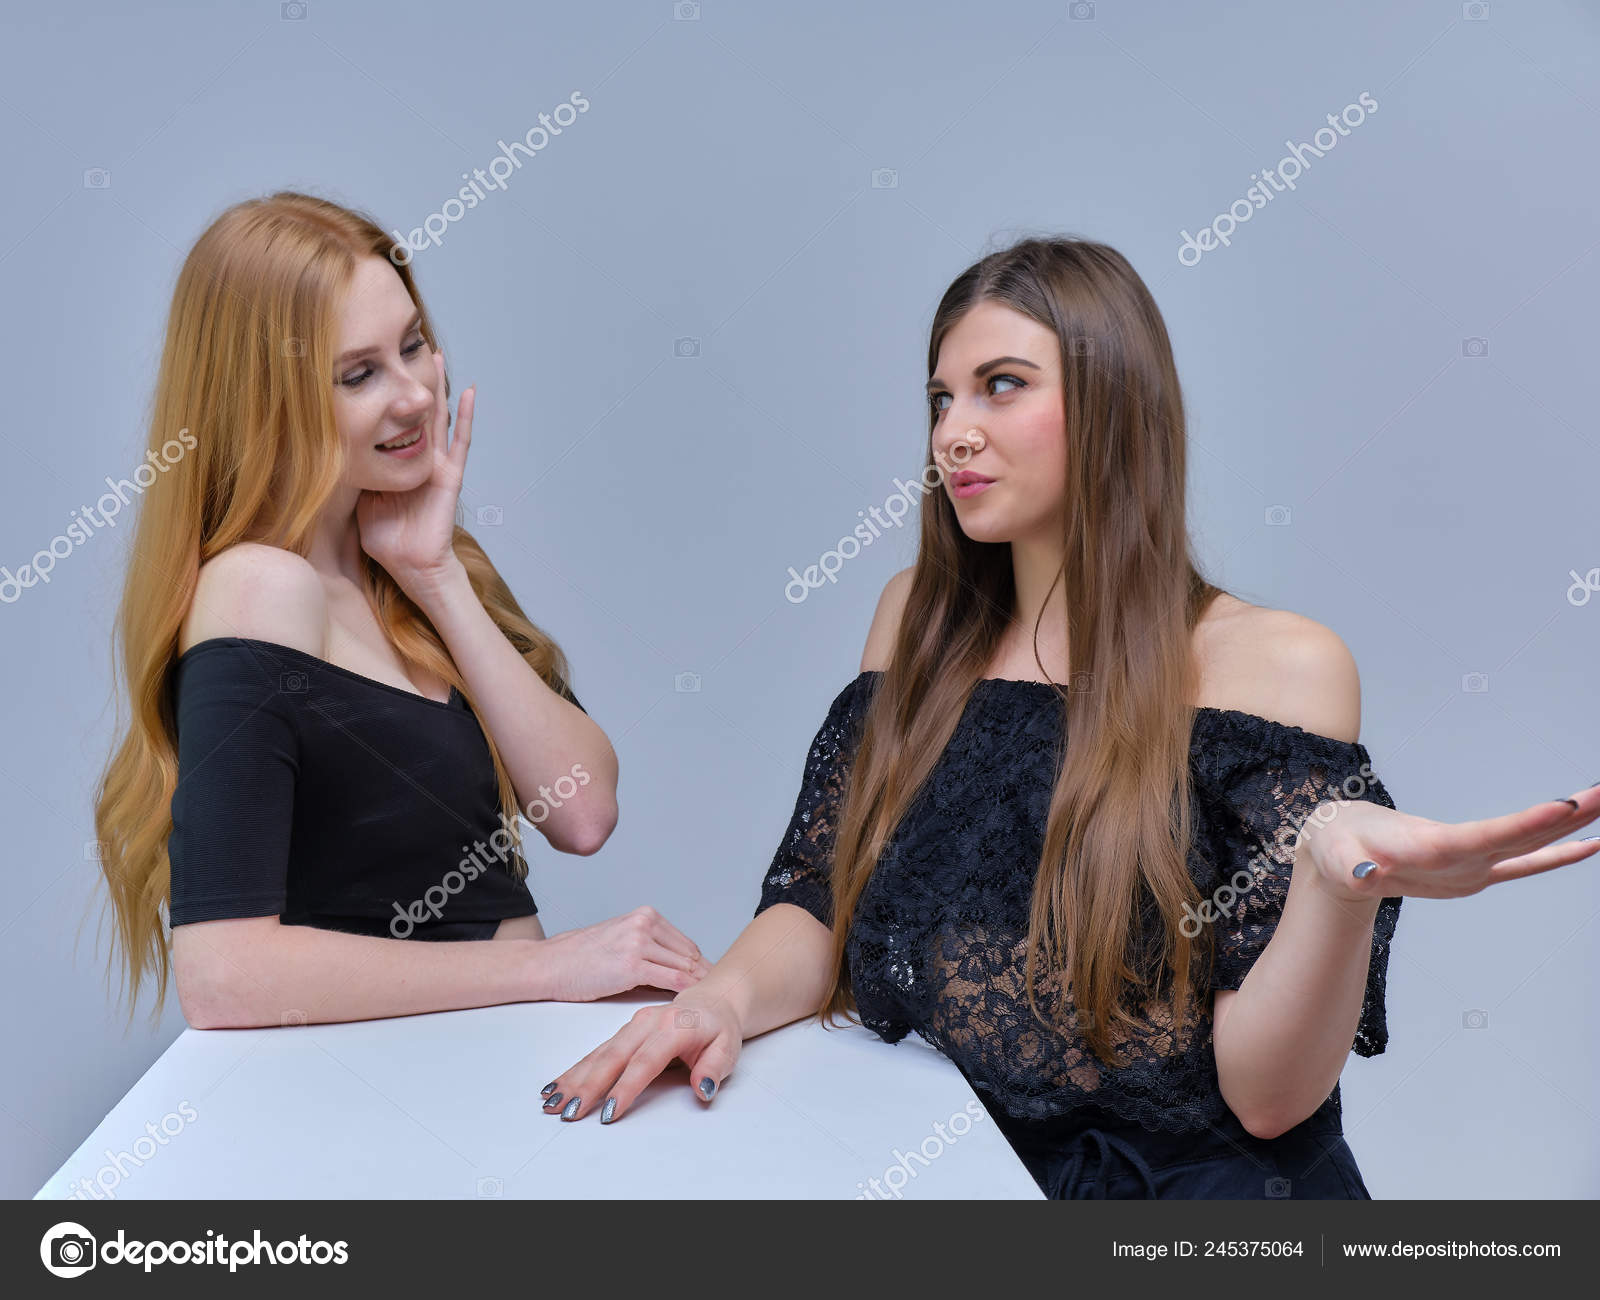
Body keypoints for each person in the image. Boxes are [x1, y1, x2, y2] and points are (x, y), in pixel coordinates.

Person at [537, 236, 1600, 1195]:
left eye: (1001, 386)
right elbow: (818, 900)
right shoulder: (914, 622)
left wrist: (1335, 889)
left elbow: (1269, 1101)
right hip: (959, 1171)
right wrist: (718, 1002)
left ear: (1112, 404)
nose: (954, 434)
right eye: (940, 399)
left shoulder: (1276, 664)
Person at [92, 191, 710, 1031]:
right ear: (265, 399)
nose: (416, 394)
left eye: (413, 345)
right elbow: (224, 975)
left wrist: (438, 578)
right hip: (388, 1081)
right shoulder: (258, 590)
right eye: (360, 374)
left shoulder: (416, 566)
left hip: (484, 1058)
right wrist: (548, 966)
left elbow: (582, 812)